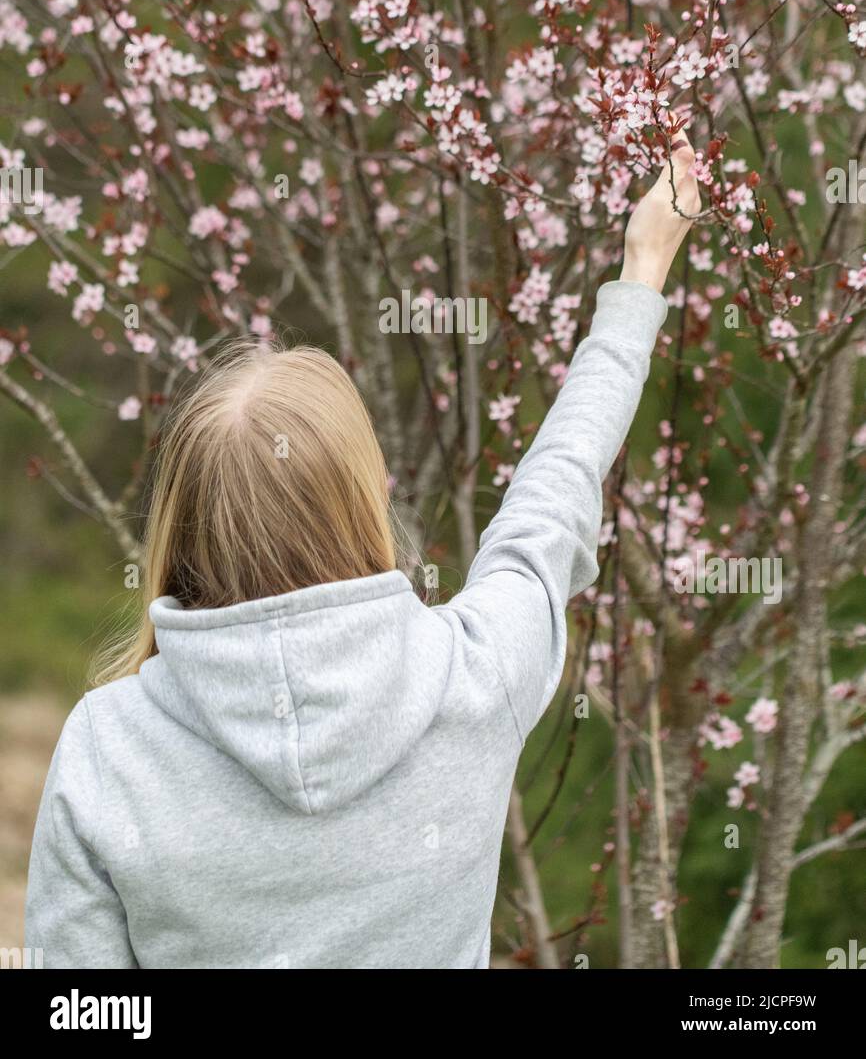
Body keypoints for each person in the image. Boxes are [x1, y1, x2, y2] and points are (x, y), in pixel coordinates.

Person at [25, 139, 700, 969]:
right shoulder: (474, 675)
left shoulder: (108, 744)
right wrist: (641, 274)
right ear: (370, 496)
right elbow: (553, 496)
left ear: (183, 525)